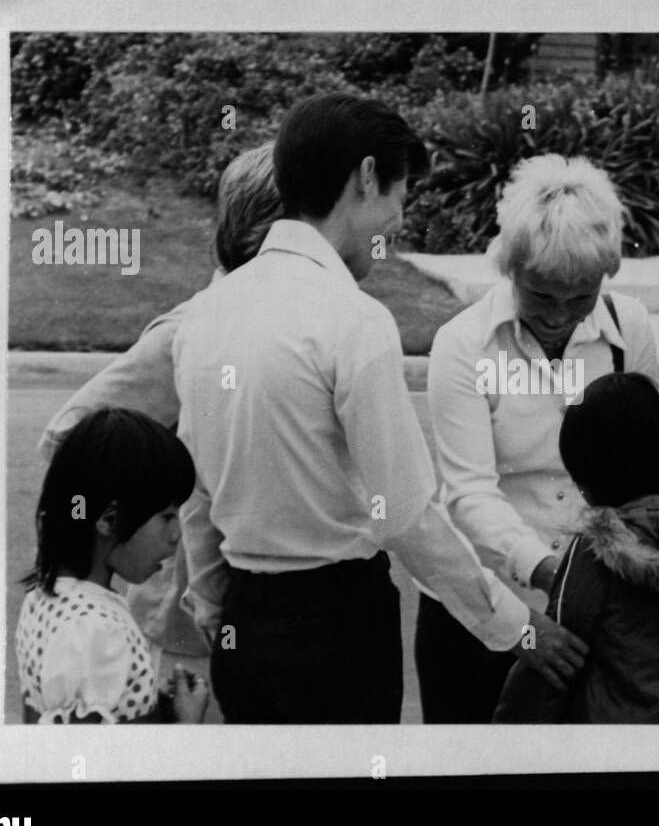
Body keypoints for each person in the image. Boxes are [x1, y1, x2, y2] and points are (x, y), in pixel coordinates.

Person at [173, 93, 588, 724]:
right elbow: (405, 517)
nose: (399, 221)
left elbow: (196, 496)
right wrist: (515, 628)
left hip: (245, 626)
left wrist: (212, 608)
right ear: (367, 177)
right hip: (338, 630)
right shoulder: (356, 322)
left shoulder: (203, 316)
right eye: (401, 195)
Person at [423, 153, 659, 722]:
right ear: (509, 269)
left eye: (580, 298)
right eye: (541, 296)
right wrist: (554, 576)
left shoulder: (631, 329)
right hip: (484, 607)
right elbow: (469, 495)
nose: (559, 317)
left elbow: (649, 472)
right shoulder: (461, 345)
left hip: (596, 607)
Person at [38, 142, 283, 669]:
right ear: (265, 234)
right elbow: (70, 435)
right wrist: (159, 502)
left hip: (258, 608)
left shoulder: (279, 331)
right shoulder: (186, 334)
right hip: (183, 624)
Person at [493, 373, 659, 723]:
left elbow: (555, 659)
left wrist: (509, 733)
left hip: (606, 746)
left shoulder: (593, 552)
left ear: (585, 482)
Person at [15, 408, 211, 724]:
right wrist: (185, 725)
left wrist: (153, 707)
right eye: (166, 517)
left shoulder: (44, 597)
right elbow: (93, 758)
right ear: (109, 520)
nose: (177, 535)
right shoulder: (95, 628)